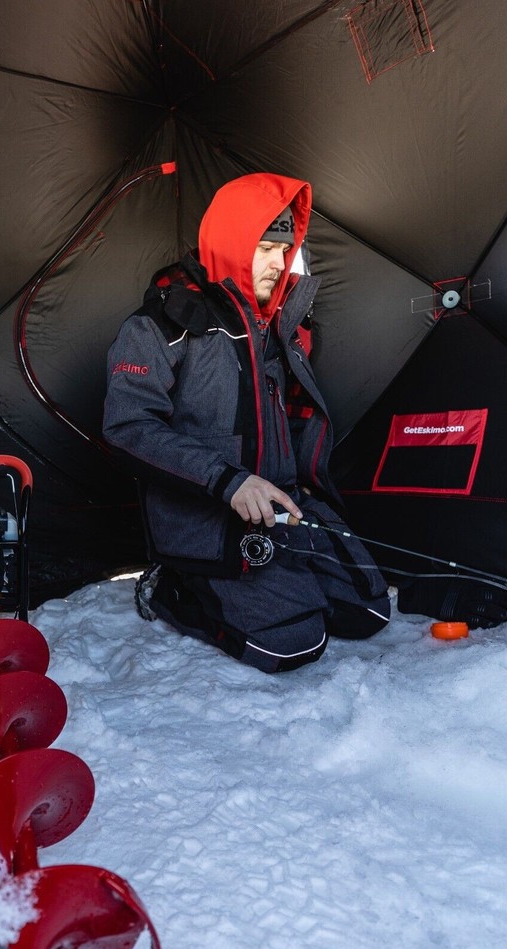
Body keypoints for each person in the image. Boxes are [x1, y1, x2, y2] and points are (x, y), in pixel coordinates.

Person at [102, 172, 390, 672]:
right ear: (232, 242)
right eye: (264, 249)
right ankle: (172, 586)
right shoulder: (161, 324)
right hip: (209, 510)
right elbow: (127, 428)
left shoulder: (279, 323)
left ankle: (289, 578)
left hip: (283, 505)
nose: (278, 264)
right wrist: (225, 480)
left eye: (285, 248)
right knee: (293, 644)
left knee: (368, 611)